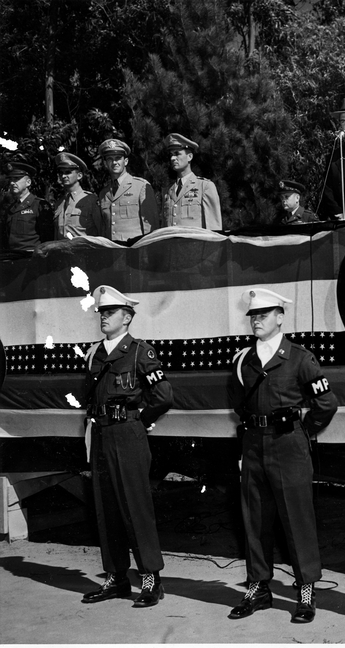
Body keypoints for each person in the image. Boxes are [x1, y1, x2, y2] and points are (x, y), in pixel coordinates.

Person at [228, 288, 338, 623]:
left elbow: (326, 403)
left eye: (264, 314)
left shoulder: (300, 358)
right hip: (254, 444)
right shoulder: (243, 361)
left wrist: (304, 430)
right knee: (255, 519)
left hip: (288, 444)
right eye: (253, 315)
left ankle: (306, 589)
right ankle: (258, 587)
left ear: (280, 317)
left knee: (297, 518)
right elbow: (238, 403)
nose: (257, 320)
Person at [81, 285, 173, 608]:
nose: (104, 317)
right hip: (103, 435)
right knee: (106, 509)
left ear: (127, 317)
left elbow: (163, 396)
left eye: (110, 312)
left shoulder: (139, 353)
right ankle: (117, 577)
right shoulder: (95, 354)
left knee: (136, 507)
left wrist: (141, 419)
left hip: (128, 435)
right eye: (102, 312)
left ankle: (151, 578)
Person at [97, 138, 158, 243]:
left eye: (118, 158)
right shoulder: (104, 193)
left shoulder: (141, 186)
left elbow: (150, 225)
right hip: (112, 251)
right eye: (110, 159)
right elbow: (104, 228)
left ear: (125, 161)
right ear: (105, 163)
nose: (114, 162)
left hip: (134, 251)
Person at [162, 133, 223, 230]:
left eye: (177, 154)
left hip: (195, 244)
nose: (172, 158)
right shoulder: (167, 191)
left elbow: (214, 229)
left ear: (189, 157)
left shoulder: (204, 186)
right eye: (171, 155)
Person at [0, 160, 53, 252]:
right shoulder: (11, 207)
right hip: (12, 257)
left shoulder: (39, 205)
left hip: (31, 258)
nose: (12, 183)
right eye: (11, 179)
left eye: (16, 179)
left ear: (28, 182)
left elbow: (48, 238)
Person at [52, 152, 106, 240]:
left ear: (79, 175)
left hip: (84, 250)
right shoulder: (60, 203)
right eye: (61, 173)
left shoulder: (91, 200)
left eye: (68, 172)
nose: (63, 176)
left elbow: (101, 230)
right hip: (63, 250)